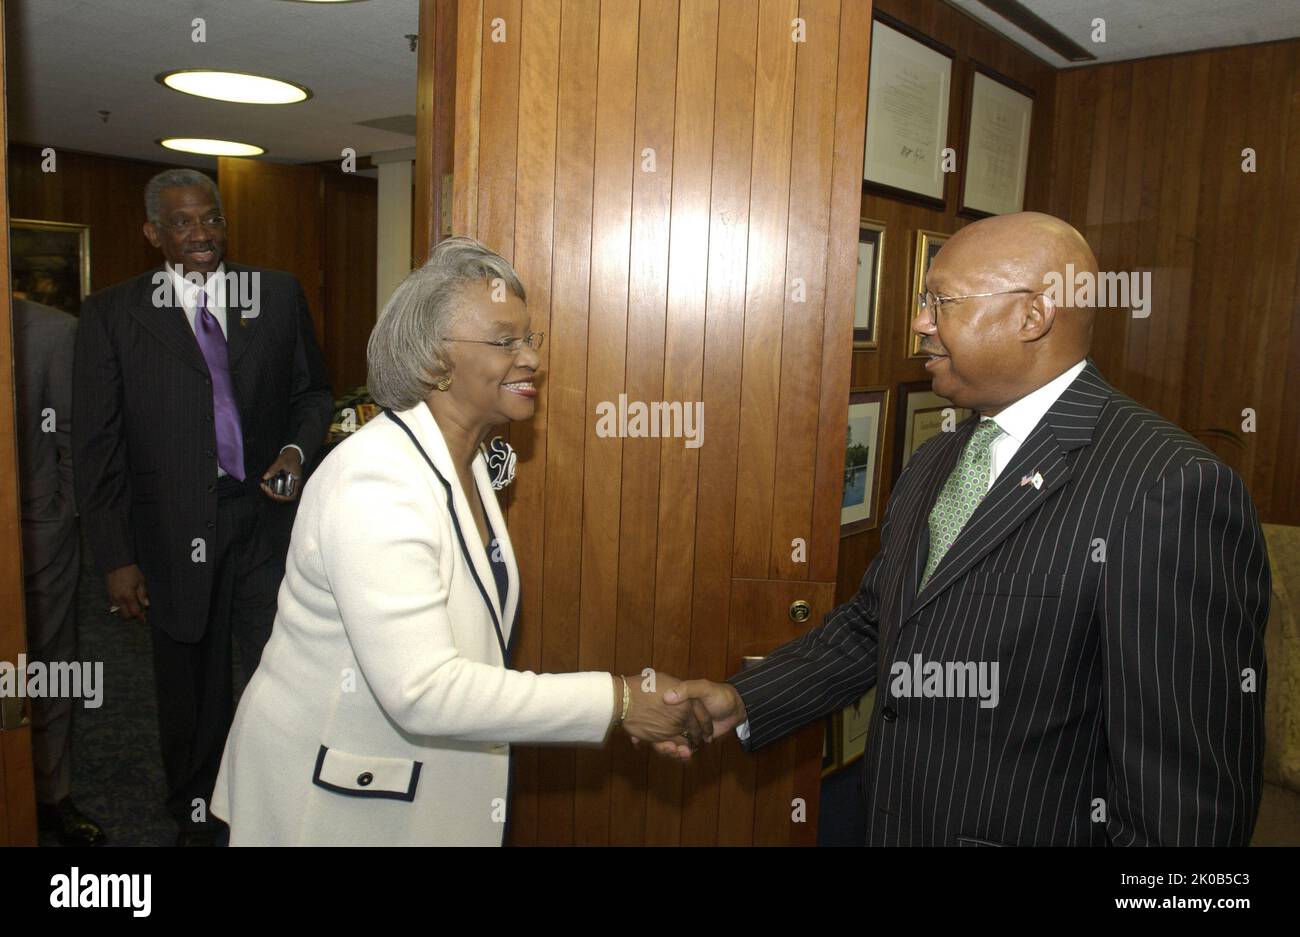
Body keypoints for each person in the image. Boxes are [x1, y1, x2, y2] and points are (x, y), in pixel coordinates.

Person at [666, 211, 1270, 846]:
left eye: (940, 302)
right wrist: (746, 700)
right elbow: (880, 623)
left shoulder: (1167, 487)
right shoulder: (940, 457)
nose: (921, 323)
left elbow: (1190, 804)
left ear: (1032, 316)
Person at [211, 237, 706, 846]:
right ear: (430, 361)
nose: (531, 360)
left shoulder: (464, 460)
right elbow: (424, 689)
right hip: (331, 802)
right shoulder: (376, 480)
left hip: (406, 784)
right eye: (505, 341)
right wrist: (622, 701)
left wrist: (633, 708)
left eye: (530, 340)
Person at [72, 168, 334, 845]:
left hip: (265, 519)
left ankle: (295, 792)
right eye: (182, 222)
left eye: (210, 218)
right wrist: (116, 559)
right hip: (171, 532)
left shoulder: (274, 295)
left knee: (289, 659)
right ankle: (199, 810)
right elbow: (97, 447)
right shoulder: (112, 314)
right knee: (191, 681)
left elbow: (313, 396)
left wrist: (296, 454)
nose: (200, 234)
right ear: (153, 232)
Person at [14, 298, 105, 846]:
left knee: (47, 666)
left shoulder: (51, 332)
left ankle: (51, 797)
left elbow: (75, 440)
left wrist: (58, 516)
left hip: (35, 535)